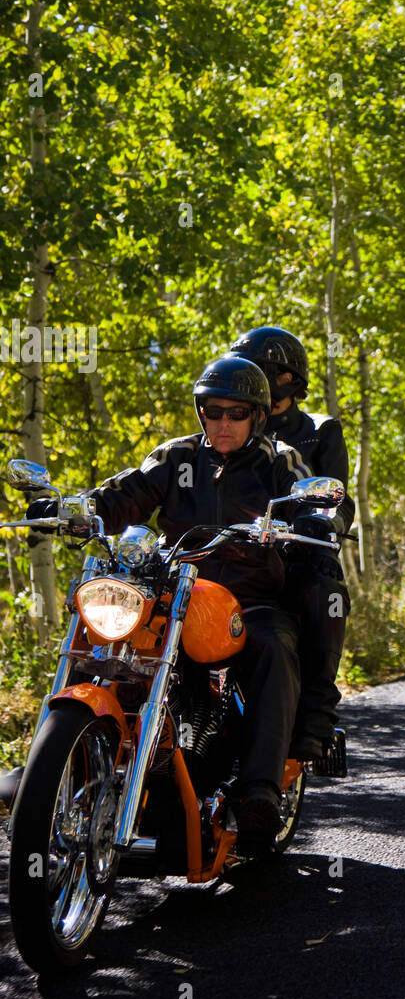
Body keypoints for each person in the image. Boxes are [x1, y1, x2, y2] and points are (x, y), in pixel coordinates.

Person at [27, 355, 321, 852]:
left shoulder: (280, 460)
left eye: (235, 413)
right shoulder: (176, 457)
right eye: (212, 411)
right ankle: (57, 766)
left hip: (247, 600)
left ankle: (258, 794)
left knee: (275, 647)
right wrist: (74, 510)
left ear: (257, 416)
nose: (223, 422)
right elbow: (124, 494)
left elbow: (307, 499)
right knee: (105, 643)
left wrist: (312, 520)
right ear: (200, 411)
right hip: (172, 592)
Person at [228, 326, 353, 762]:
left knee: (325, 591)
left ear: (287, 380)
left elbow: (339, 495)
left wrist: (323, 527)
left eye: (260, 374)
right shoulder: (233, 422)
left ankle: (317, 718)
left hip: (297, 550)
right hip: (234, 551)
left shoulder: (319, 430)